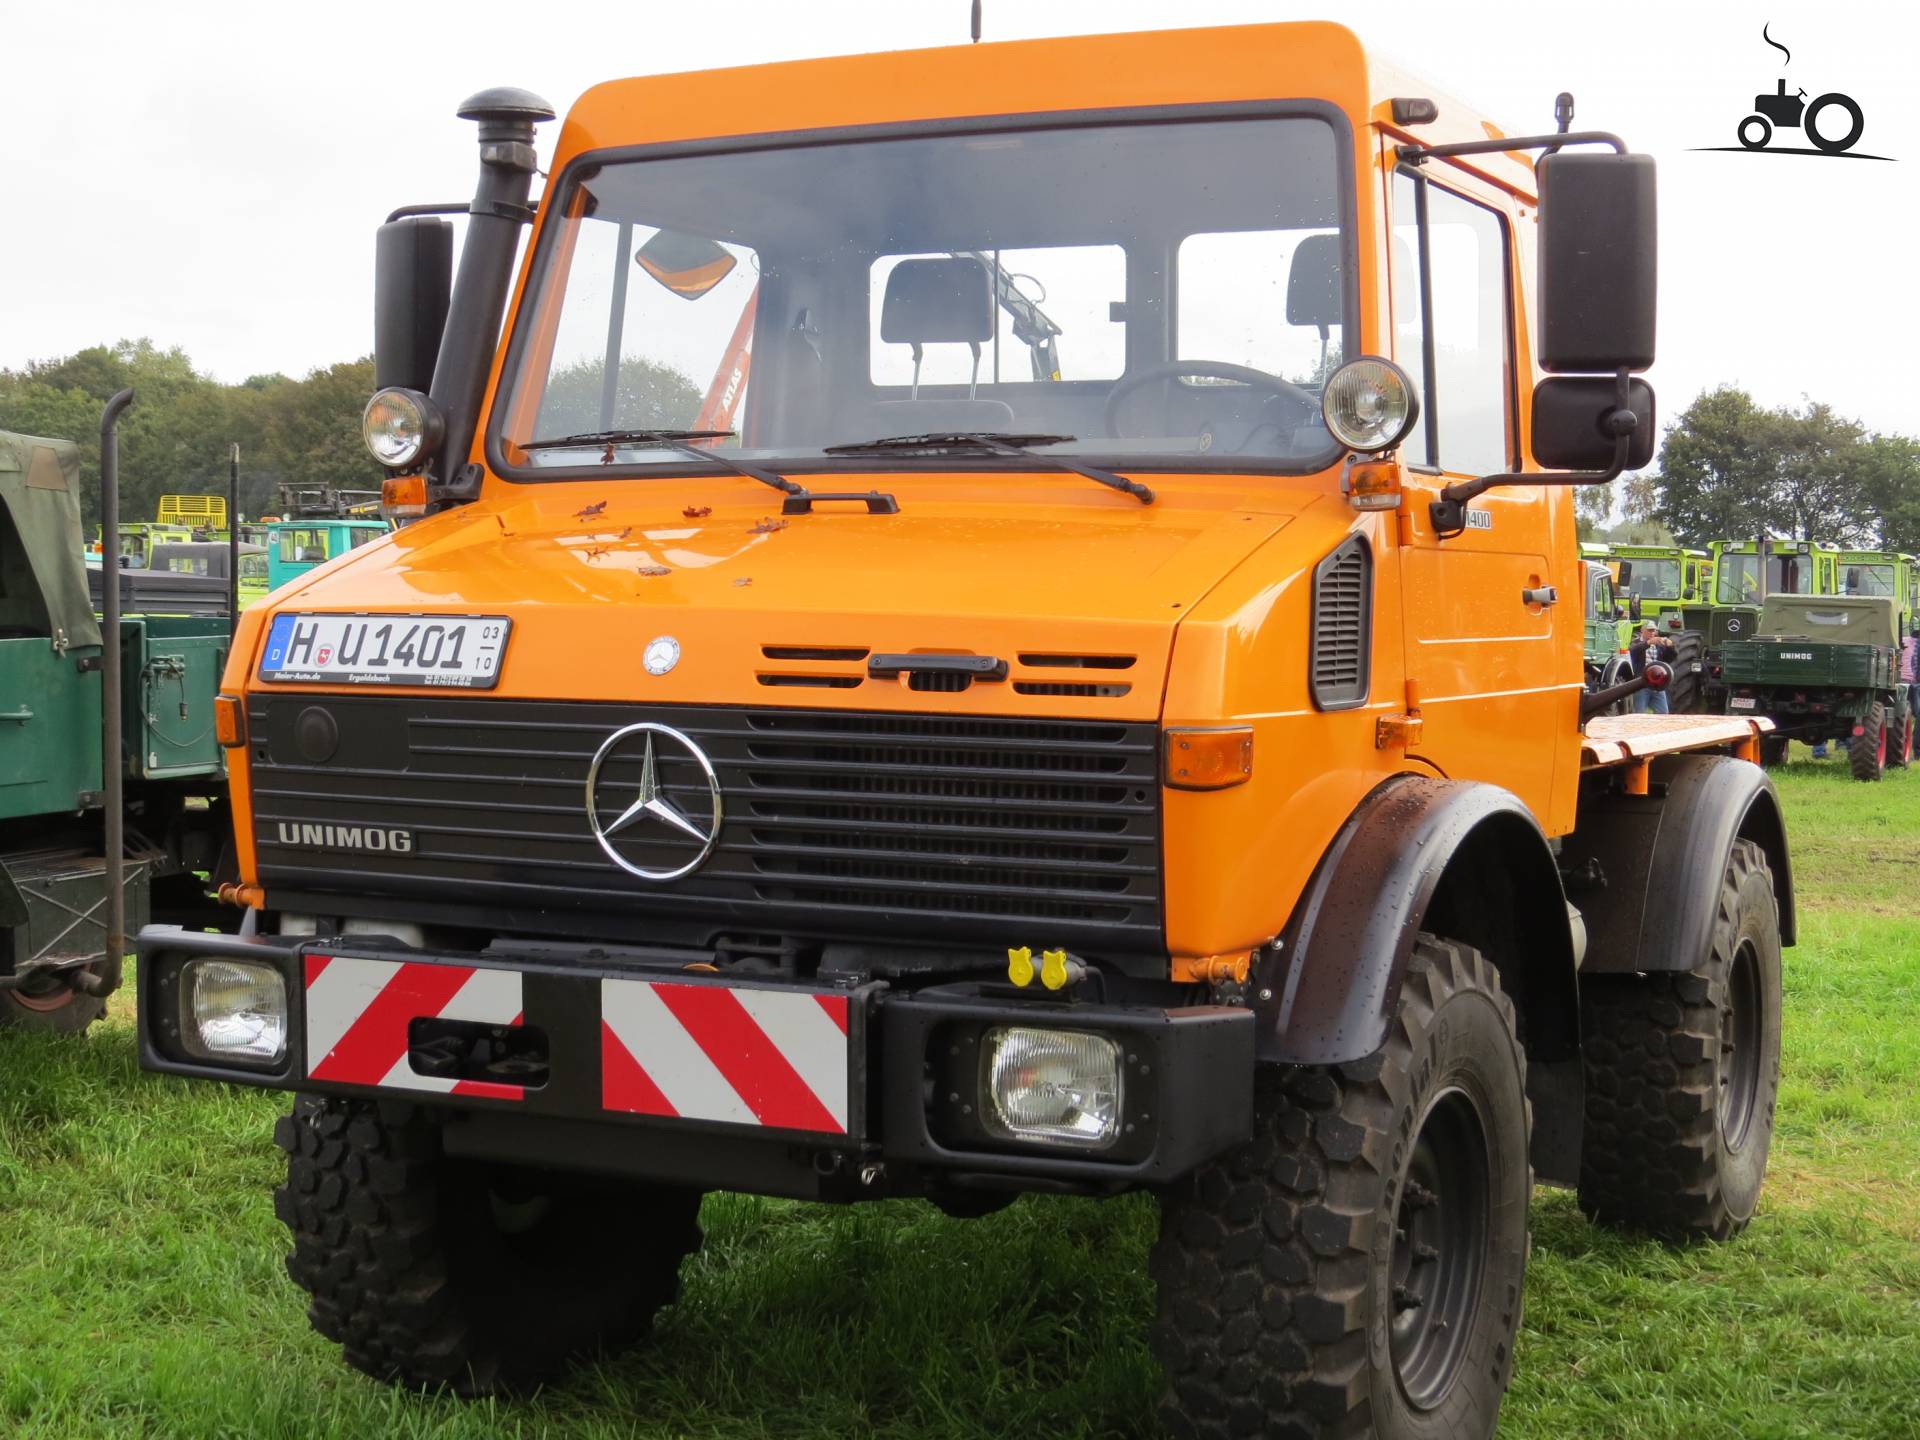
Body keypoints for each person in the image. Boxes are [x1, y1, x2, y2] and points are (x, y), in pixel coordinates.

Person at [1629, 621, 1676, 714]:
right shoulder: (1636, 642)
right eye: (1649, 630)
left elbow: (1670, 658)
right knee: (1639, 713)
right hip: (1641, 684)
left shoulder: (1659, 645)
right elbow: (1633, 651)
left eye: (1654, 631)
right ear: (1643, 631)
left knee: (1663, 713)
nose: (1652, 633)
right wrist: (1648, 643)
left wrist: (1670, 646)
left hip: (1657, 685)